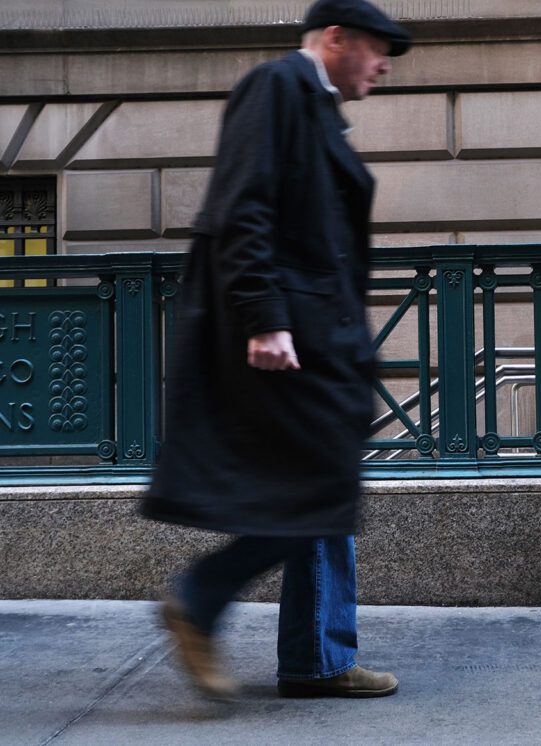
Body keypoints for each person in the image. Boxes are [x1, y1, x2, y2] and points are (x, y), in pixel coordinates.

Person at [140, 0, 411, 700]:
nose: (385, 64)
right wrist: (263, 318)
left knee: (320, 487)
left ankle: (314, 656)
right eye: (378, 49)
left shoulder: (317, 108)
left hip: (313, 335)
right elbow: (245, 204)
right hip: (282, 338)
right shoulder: (278, 85)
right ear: (335, 38)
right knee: (320, 489)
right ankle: (201, 596)